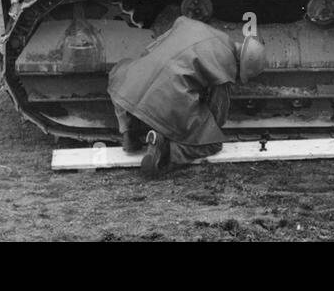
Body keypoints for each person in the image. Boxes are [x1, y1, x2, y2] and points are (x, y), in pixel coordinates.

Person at [108, 15, 267, 178]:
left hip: (131, 84)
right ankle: (164, 150)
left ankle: (129, 133)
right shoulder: (227, 65)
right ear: (240, 64)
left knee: (122, 75)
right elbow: (217, 112)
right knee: (212, 144)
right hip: (166, 99)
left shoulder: (190, 25)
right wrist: (208, 130)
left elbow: (151, 48)